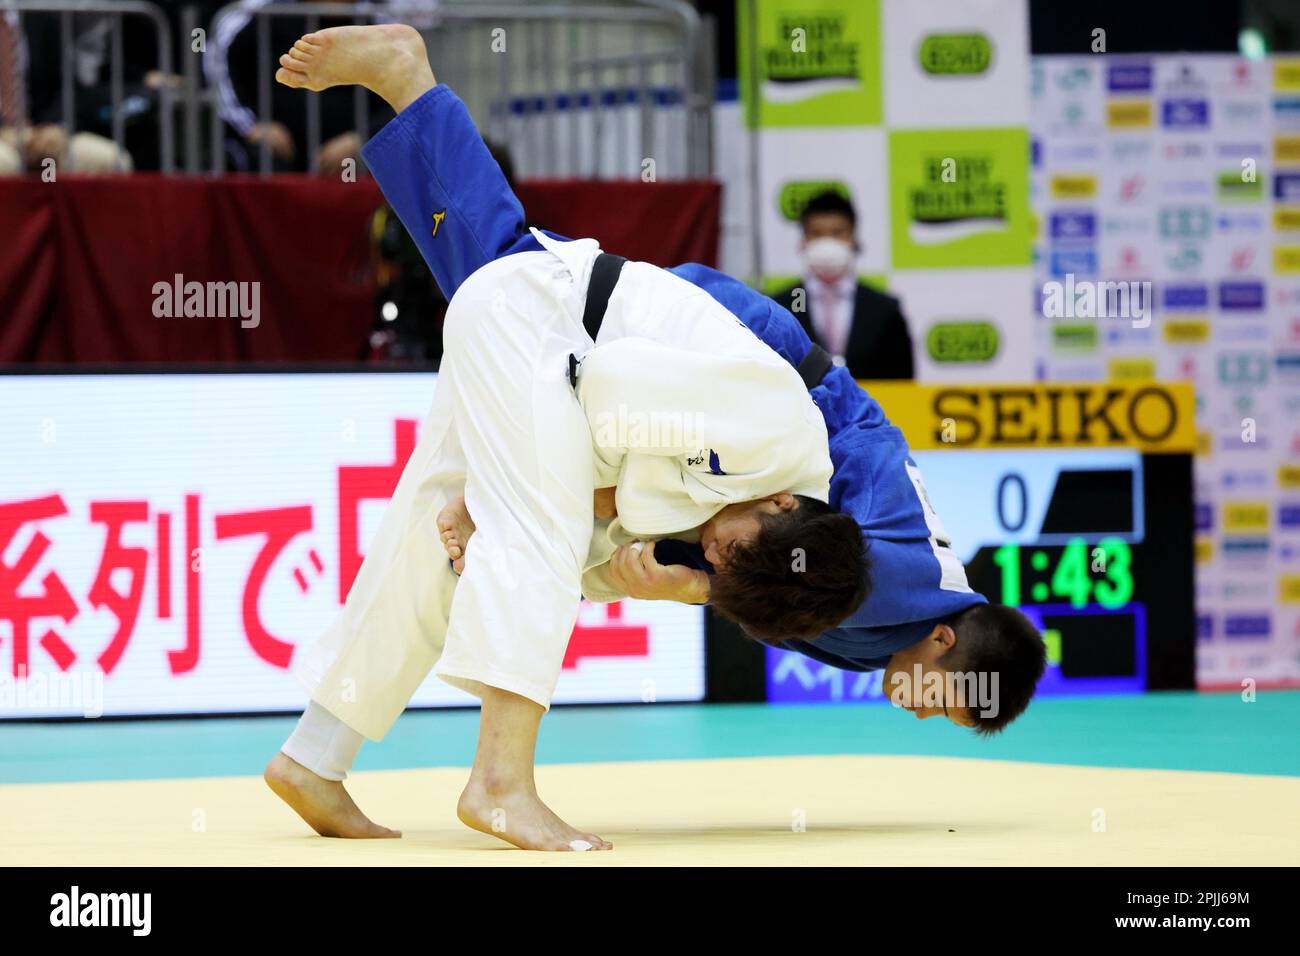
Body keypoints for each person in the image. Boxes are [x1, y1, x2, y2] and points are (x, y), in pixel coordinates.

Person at [266, 24, 867, 851]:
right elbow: (607, 392)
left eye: (719, 567)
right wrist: (530, 500)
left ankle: (314, 756)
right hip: (540, 317)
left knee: (430, 543)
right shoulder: (777, 429)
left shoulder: (751, 529)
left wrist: (632, 572)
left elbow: (588, 558)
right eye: (727, 548)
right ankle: (501, 784)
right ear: (781, 501)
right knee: (529, 529)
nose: (709, 550)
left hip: (526, 343)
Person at [770, 191, 915, 380]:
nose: (827, 242)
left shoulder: (884, 310)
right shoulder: (779, 307)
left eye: (837, 233)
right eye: (816, 234)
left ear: (853, 238)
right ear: (803, 240)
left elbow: (902, 383)